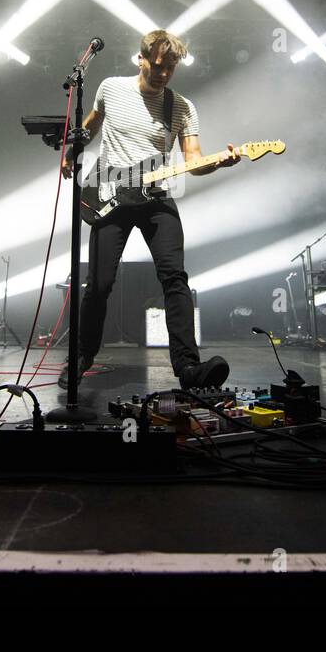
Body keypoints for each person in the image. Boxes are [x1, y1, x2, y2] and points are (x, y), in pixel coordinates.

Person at [60, 29, 240, 390]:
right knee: (98, 285)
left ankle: (188, 368)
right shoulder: (111, 88)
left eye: (169, 68)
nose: (162, 73)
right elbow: (90, 127)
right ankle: (81, 357)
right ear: (140, 59)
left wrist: (218, 163)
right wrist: (72, 152)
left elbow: (193, 160)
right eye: (156, 65)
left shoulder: (183, 108)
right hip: (109, 196)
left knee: (175, 278)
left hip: (155, 197)